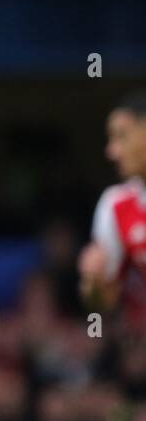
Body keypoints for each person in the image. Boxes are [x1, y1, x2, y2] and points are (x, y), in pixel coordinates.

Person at [79, 91, 146, 324]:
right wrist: (94, 282)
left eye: (122, 137)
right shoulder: (116, 205)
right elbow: (102, 302)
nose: (112, 151)